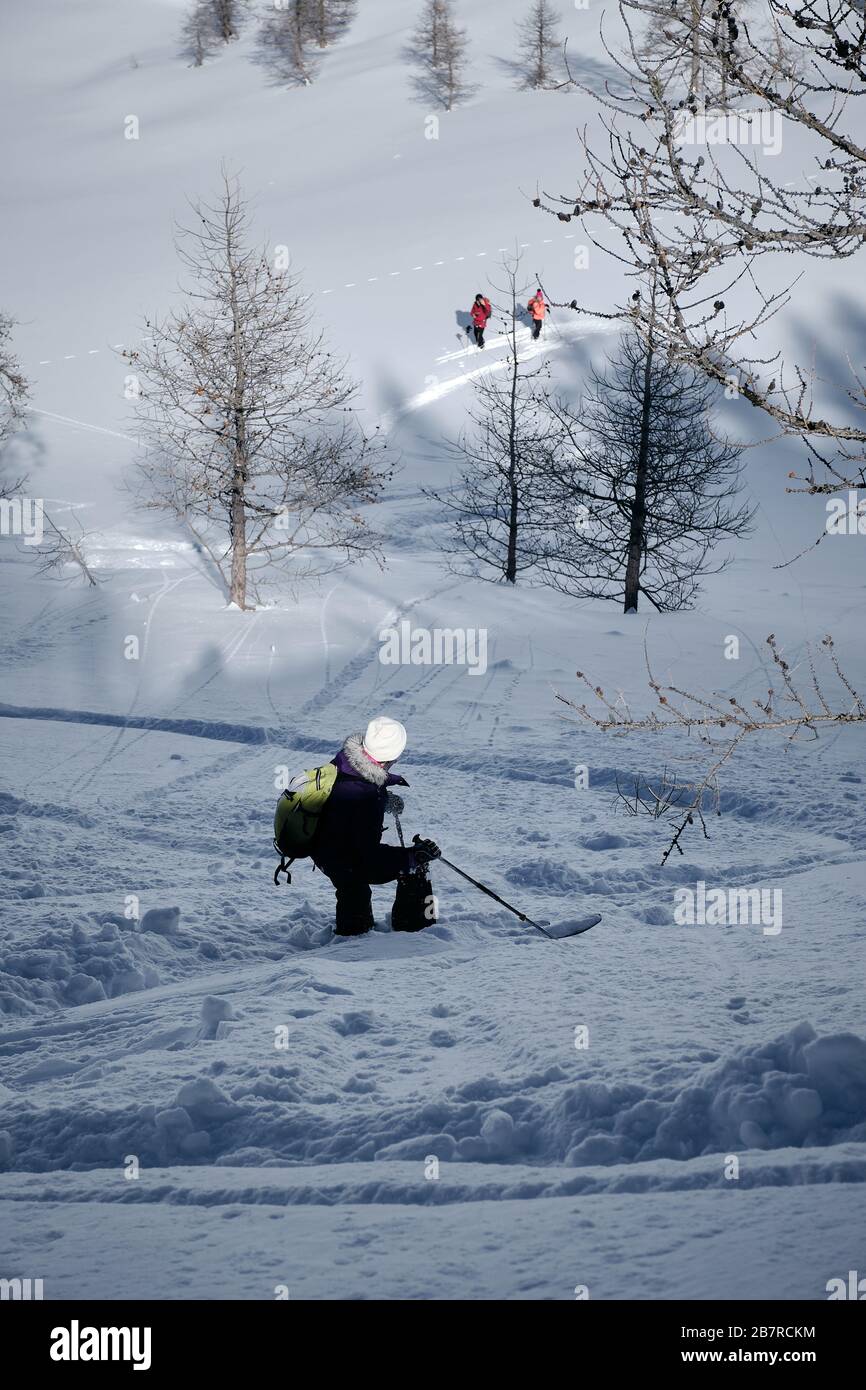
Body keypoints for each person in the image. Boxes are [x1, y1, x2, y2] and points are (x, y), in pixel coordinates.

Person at [311, 715, 440, 936]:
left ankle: (354, 931)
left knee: (353, 888)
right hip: (342, 857)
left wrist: (383, 796)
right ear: (392, 755)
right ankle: (416, 932)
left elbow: (349, 795)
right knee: (414, 867)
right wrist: (412, 857)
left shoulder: (347, 760)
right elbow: (366, 855)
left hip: (322, 847)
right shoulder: (365, 796)